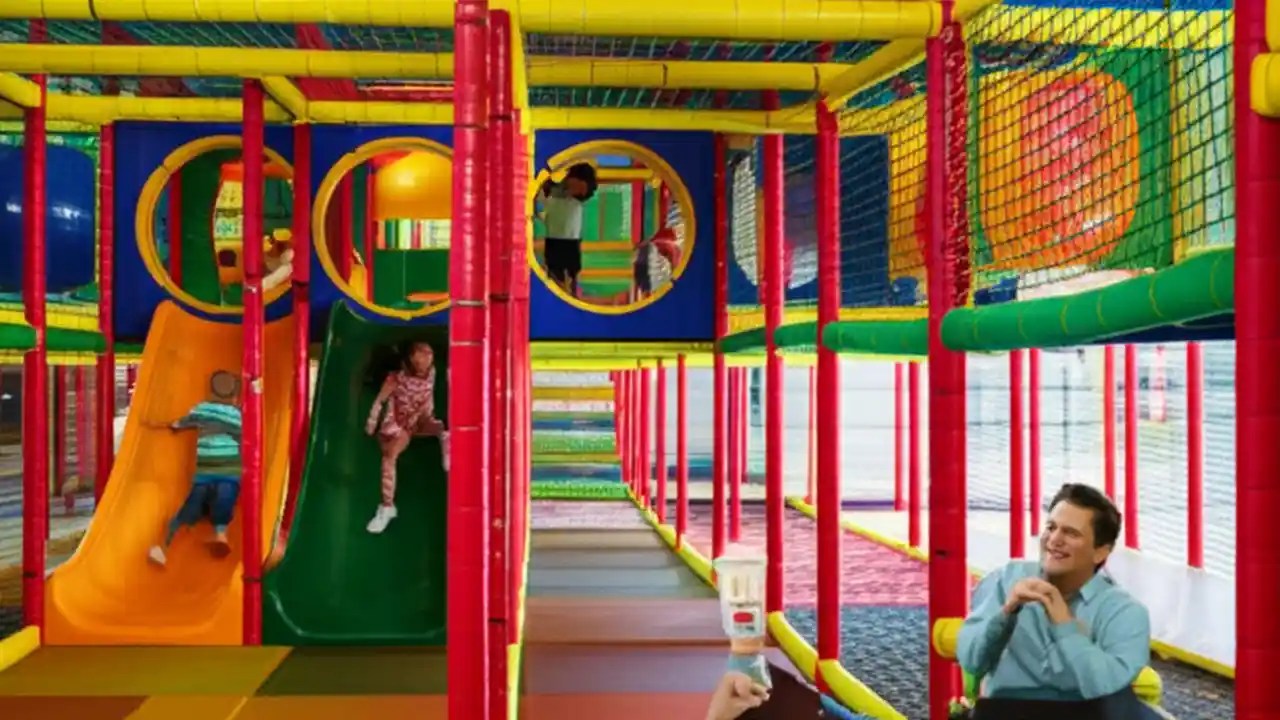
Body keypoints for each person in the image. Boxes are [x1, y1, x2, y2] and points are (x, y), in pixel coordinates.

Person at [956, 483, 1150, 705]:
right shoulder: (1007, 579)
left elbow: (1104, 688)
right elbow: (971, 661)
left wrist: (1064, 624)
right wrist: (1006, 613)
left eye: (1071, 533)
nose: (1054, 539)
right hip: (1005, 712)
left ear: (1100, 551)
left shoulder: (1125, 613)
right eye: (1051, 527)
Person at [147, 370, 244, 566]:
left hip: (205, 474)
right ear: (234, 397)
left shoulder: (202, 409)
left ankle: (165, 546)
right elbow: (245, 436)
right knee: (225, 500)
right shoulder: (237, 415)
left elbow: (183, 422)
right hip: (229, 472)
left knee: (192, 505)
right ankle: (220, 534)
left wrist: (174, 425)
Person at [364, 341, 448, 534]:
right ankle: (387, 507)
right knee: (389, 457)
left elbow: (428, 396)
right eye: (421, 356)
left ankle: (446, 444)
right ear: (411, 359)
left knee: (441, 428)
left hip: (420, 420)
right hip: (399, 425)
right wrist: (371, 421)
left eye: (429, 355)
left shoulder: (431, 372)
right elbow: (380, 401)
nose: (426, 359)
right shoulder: (396, 379)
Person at [538, 162, 598, 297]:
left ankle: (570, 293)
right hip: (556, 237)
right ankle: (563, 292)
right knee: (556, 271)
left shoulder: (577, 198)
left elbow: (584, 191)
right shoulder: (555, 190)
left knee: (571, 271)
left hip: (570, 238)